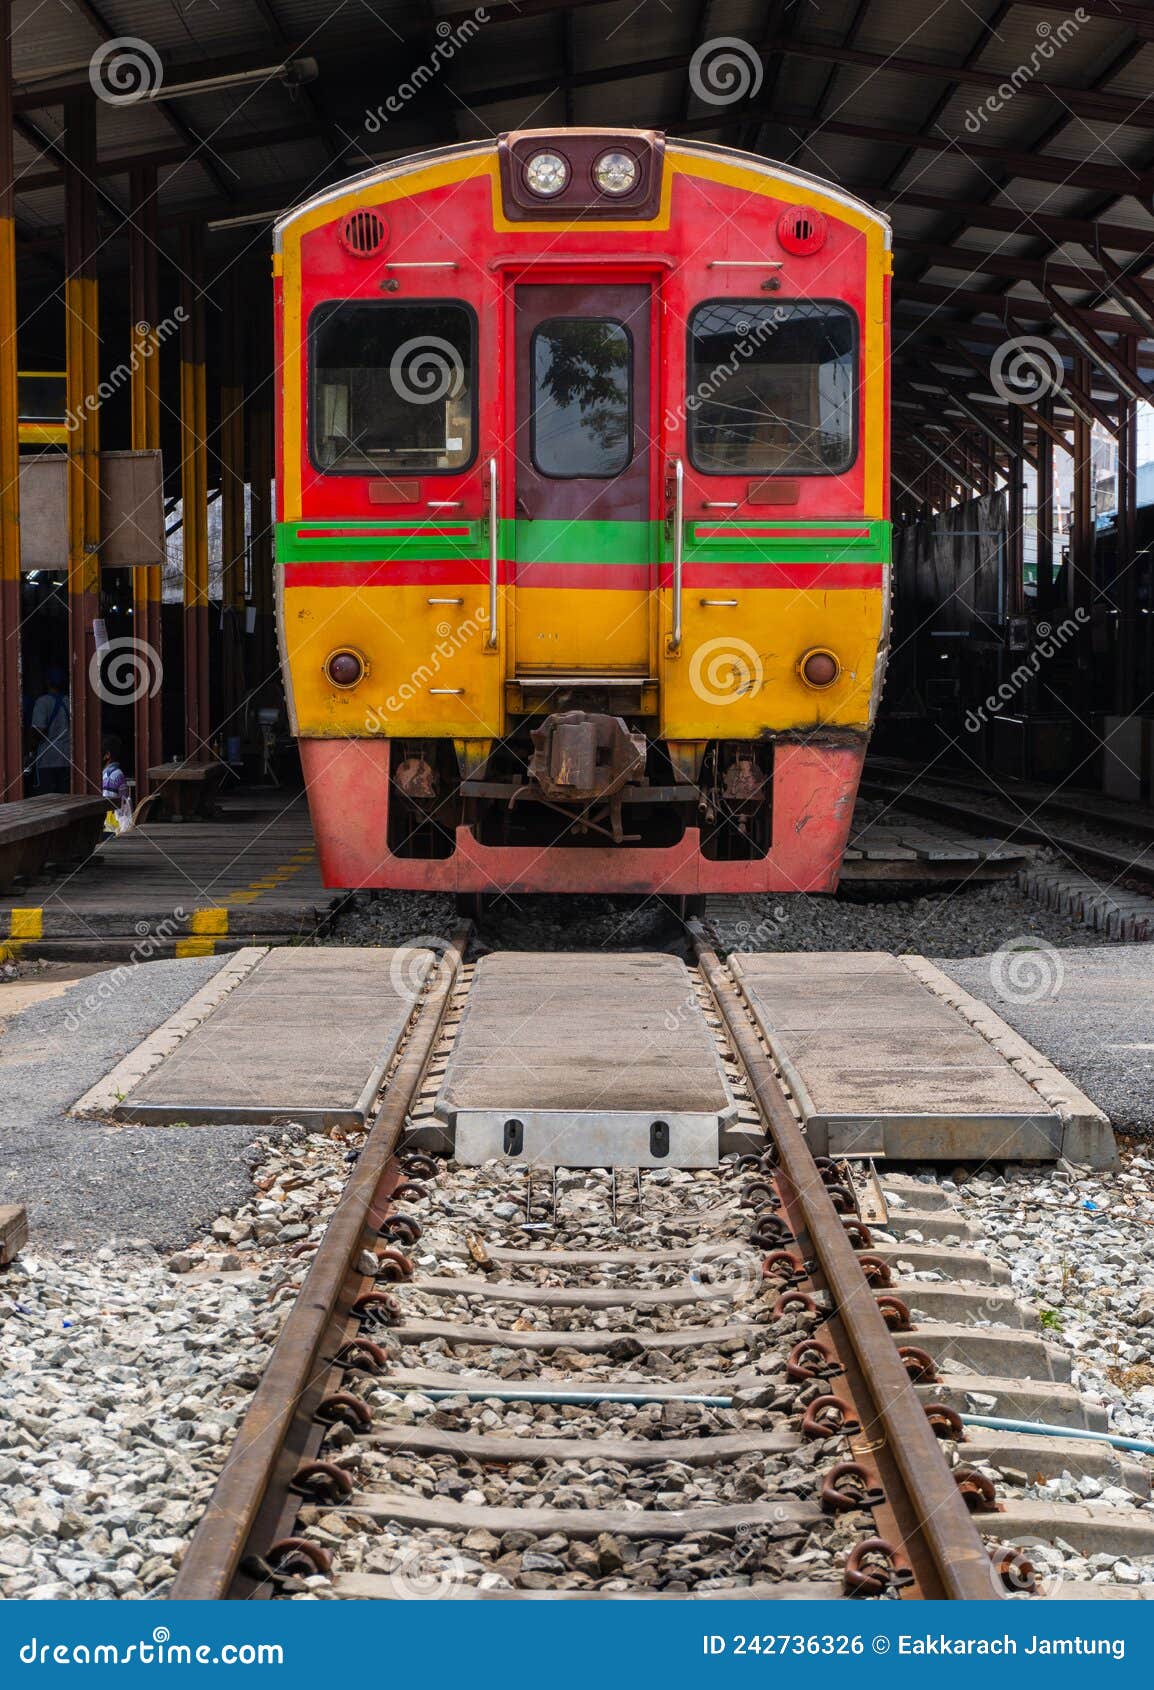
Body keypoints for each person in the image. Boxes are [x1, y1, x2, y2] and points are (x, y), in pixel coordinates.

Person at [29, 667, 70, 794]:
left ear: (47, 682)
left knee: (47, 798)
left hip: (47, 759)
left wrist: (31, 747)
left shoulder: (43, 702)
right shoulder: (69, 701)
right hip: (68, 757)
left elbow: (38, 730)